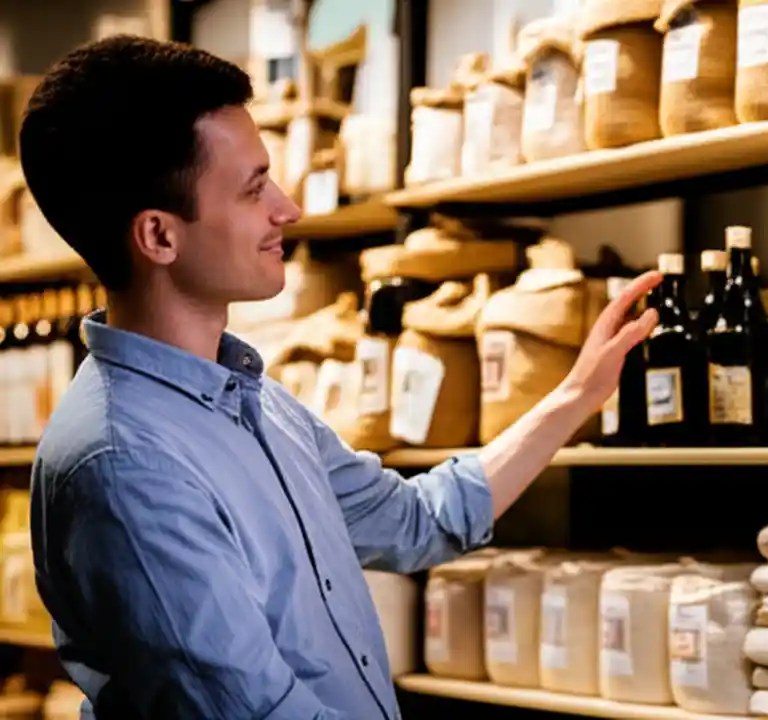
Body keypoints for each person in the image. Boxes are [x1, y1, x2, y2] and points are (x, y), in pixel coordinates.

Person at [19, 35, 660, 719]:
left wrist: (577, 394)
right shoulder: (125, 465)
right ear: (159, 237)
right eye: (254, 188)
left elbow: (417, 520)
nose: (288, 209)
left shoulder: (254, 401)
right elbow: (255, 713)